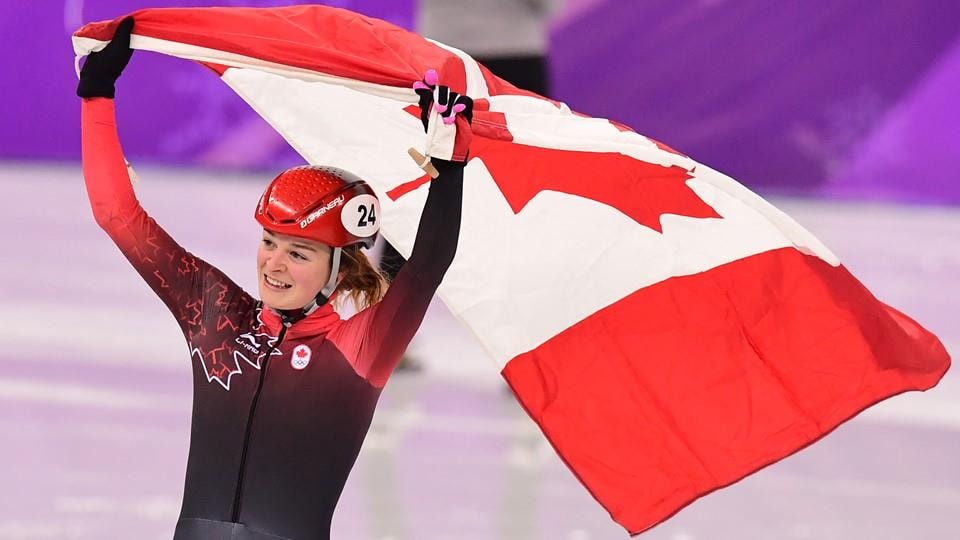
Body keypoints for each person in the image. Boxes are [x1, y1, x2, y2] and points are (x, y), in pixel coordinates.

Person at [78, 18, 472, 540]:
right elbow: (117, 215)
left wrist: (450, 170)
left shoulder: (357, 348)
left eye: (299, 252)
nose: (274, 264)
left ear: (339, 265)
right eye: (268, 242)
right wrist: (98, 95)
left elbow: (426, 267)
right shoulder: (216, 315)